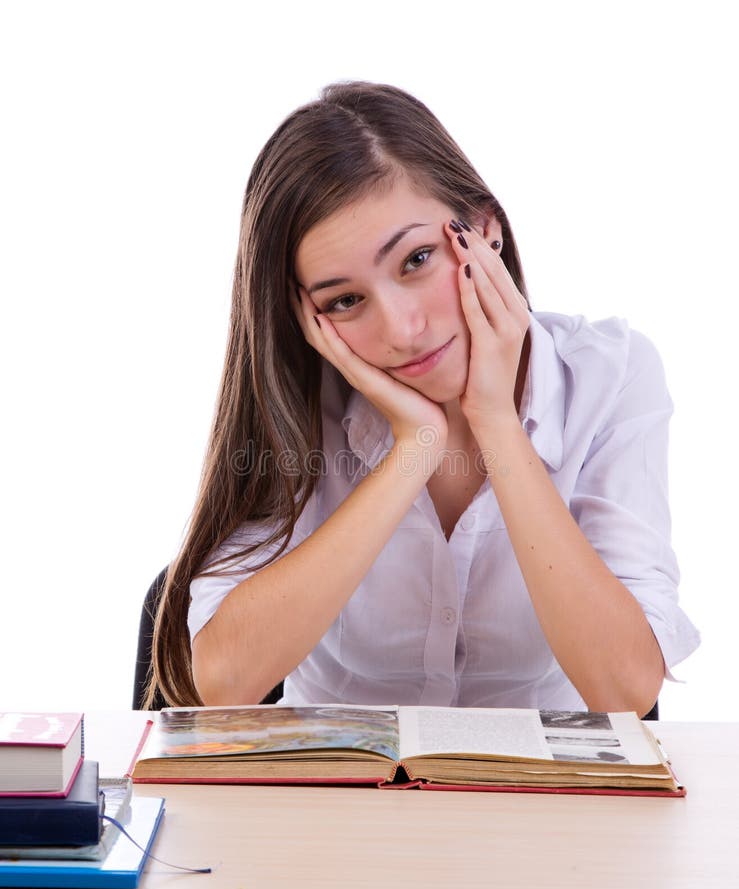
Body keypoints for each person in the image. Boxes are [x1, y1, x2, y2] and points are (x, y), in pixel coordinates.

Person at [146, 81, 699, 714]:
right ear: (309, 317)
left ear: (484, 230)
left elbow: (625, 687)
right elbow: (221, 681)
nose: (402, 330)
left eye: (416, 259)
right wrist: (416, 447)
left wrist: (493, 418)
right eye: (345, 300)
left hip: (545, 801)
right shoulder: (300, 399)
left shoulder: (609, 377)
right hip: (335, 800)